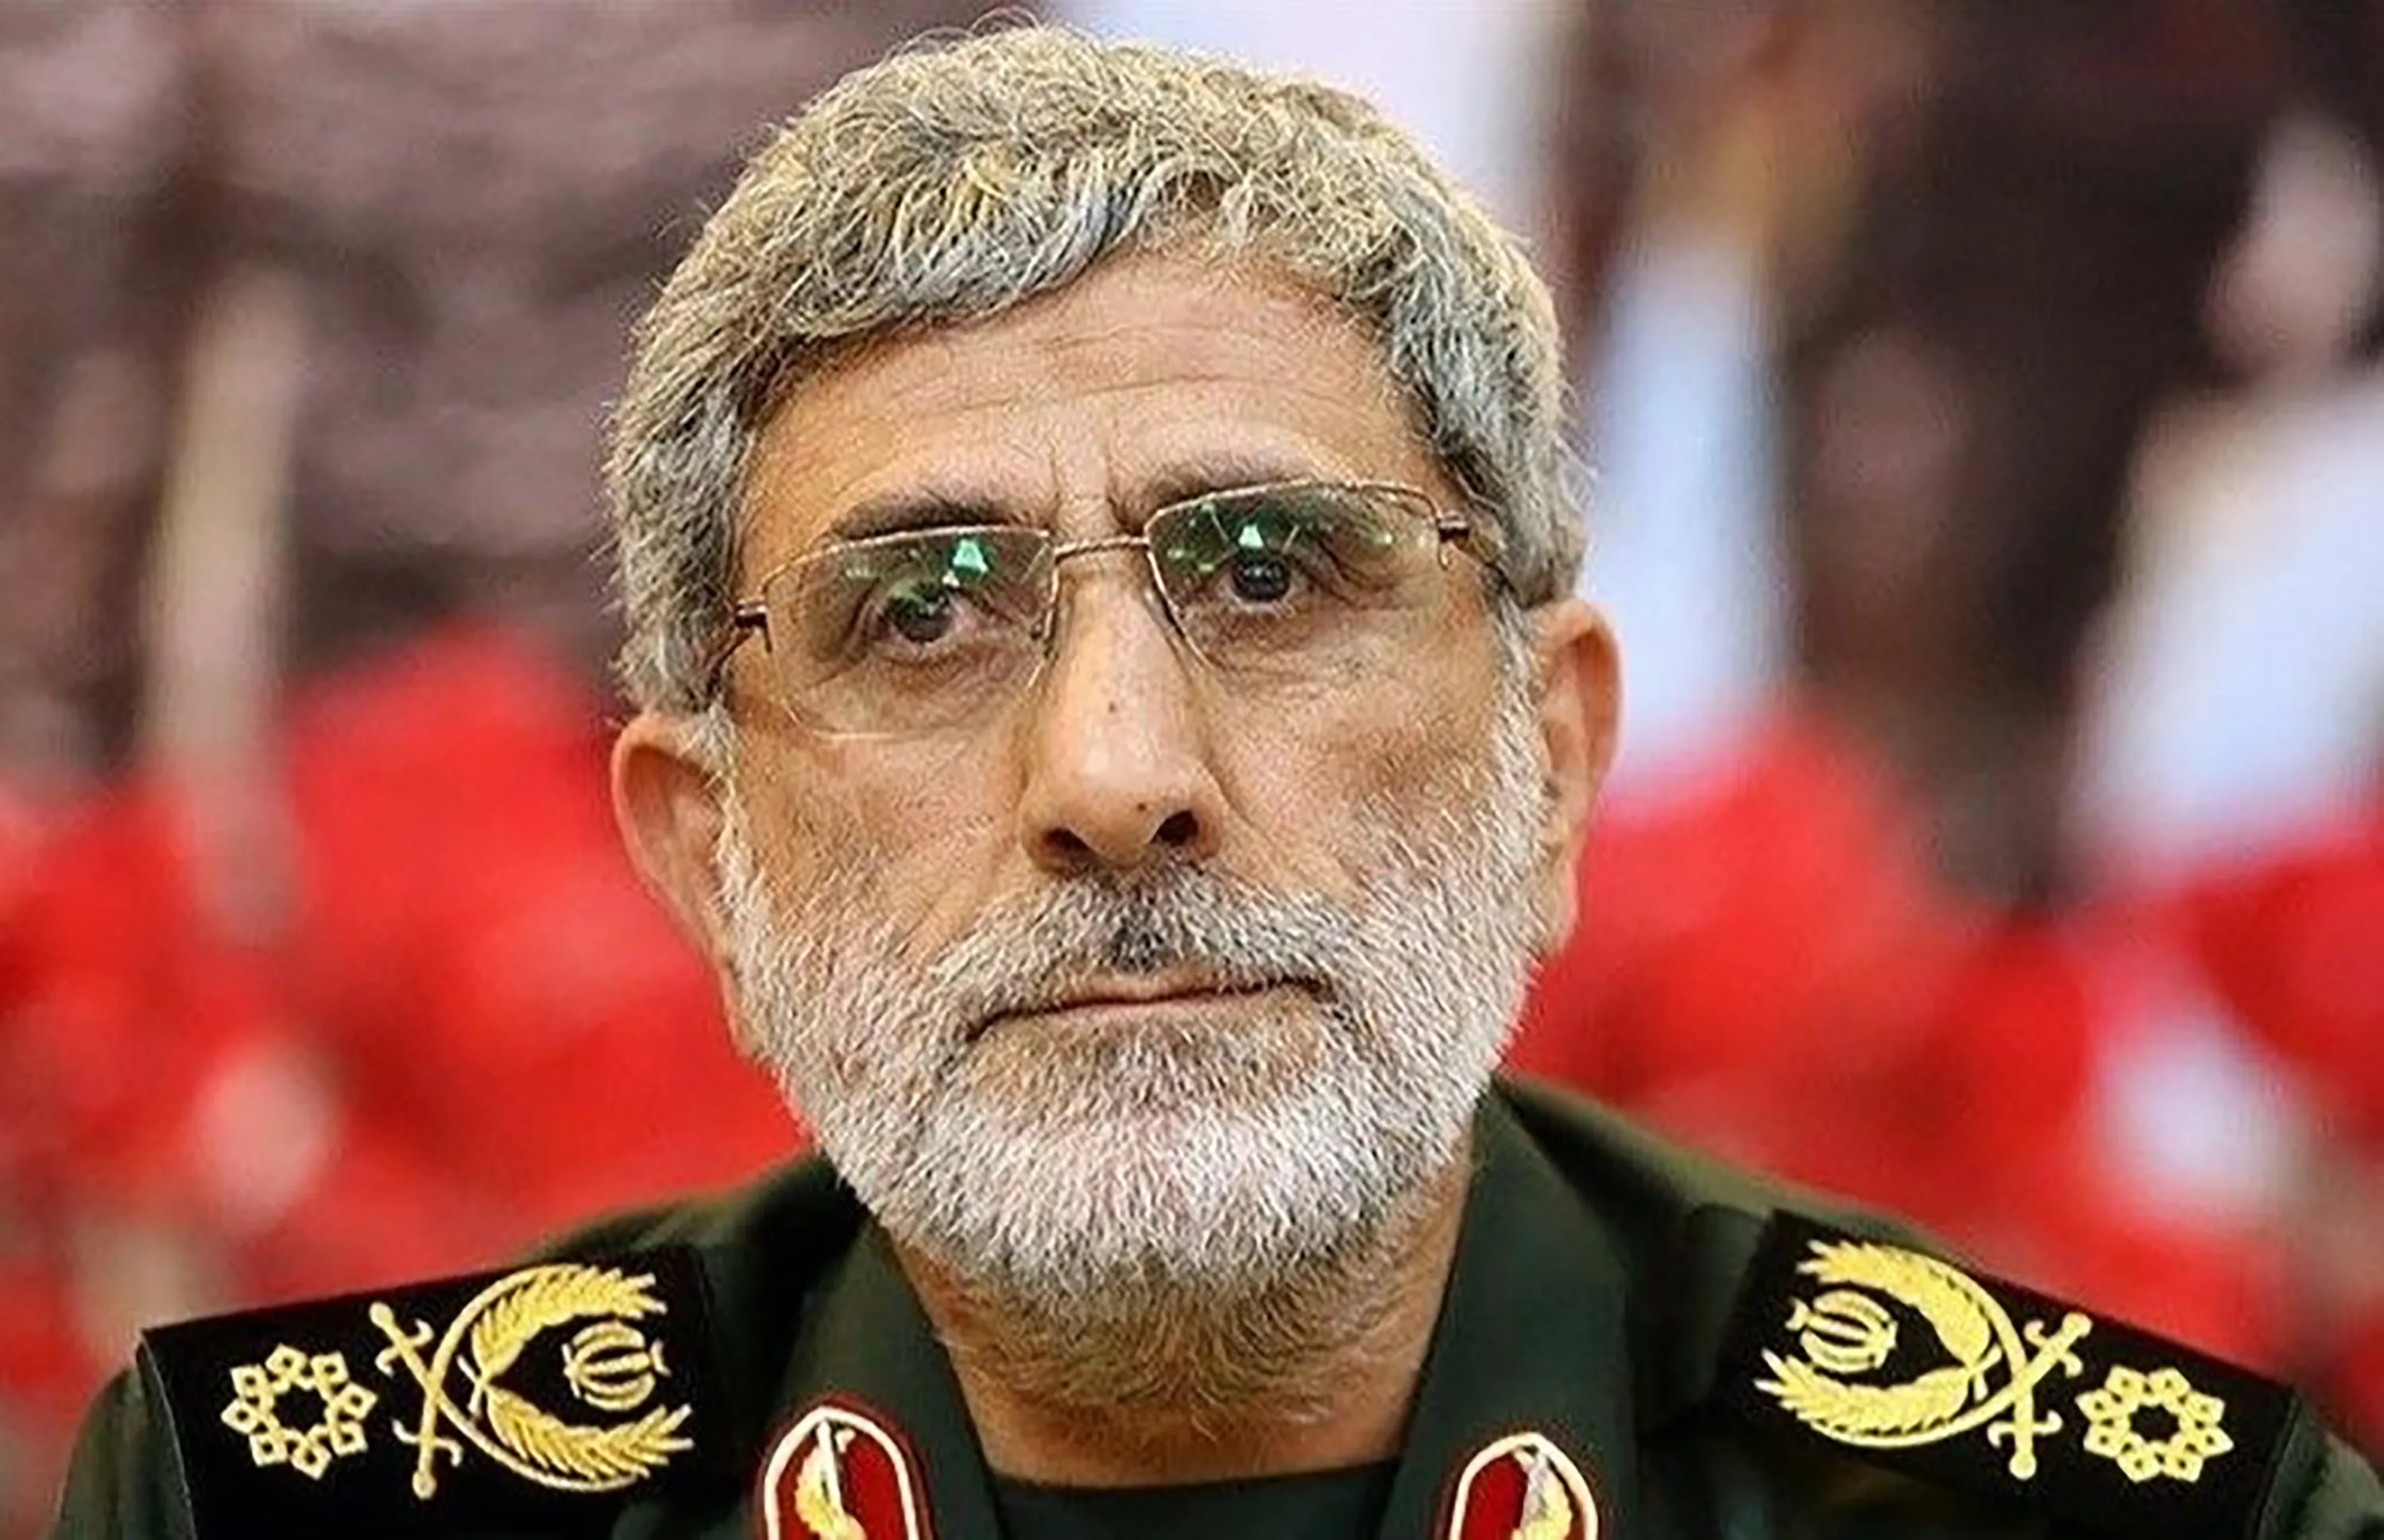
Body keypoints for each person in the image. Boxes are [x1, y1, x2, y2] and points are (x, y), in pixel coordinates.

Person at [48, 25, 2384, 1540]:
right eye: (922, 613)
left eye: (1272, 574)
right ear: (702, 858)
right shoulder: (287, 1496)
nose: (1116, 774)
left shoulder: (2116, 1510)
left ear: (1555, 755)